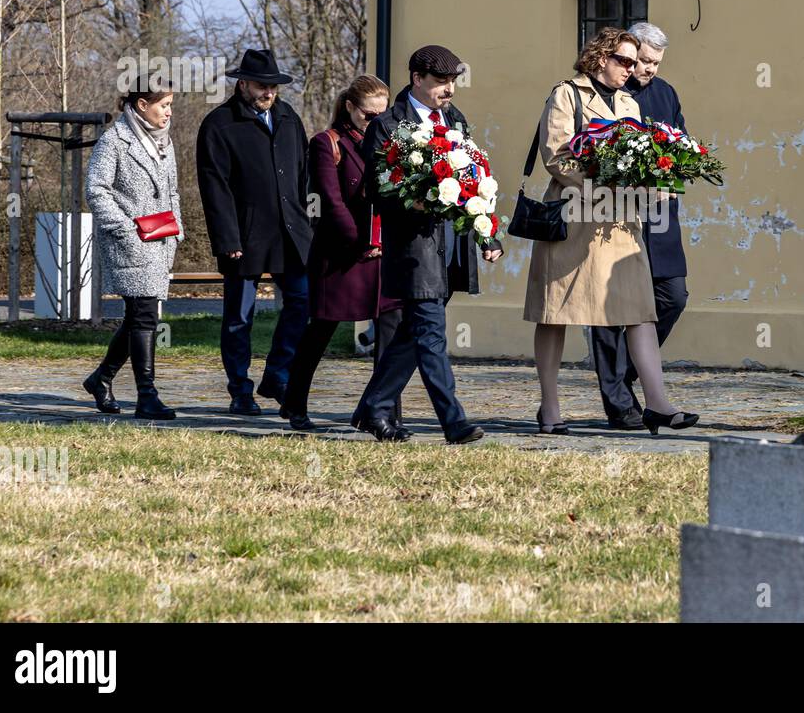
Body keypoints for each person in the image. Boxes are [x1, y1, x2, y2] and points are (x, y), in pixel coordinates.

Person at [524, 27, 698, 435]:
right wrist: (596, 188)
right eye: (624, 60)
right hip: (573, 217)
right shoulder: (567, 93)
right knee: (555, 314)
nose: (633, 68)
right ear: (601, 58)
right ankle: (550, 407)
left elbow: (637, 161)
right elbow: (556, 155)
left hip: (620, 222)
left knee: (640, 310)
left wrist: (651, 186)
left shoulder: (628, 104)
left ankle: (657, 403)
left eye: (635, 61)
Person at [351, 45, 502, 444]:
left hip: (452, 243)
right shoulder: (387, 125)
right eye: (440, 81)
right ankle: (454, 422)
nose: (449, 89)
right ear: (417, 79)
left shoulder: (455, 119)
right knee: (432, 333)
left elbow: (473, 183)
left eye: (453, 81)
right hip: (414, 245)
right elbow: (376, 190)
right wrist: (413, 198)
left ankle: (373, 408)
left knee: (412, 335)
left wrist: (488, 233)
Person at [280, 75, 402, 432]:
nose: (376, 121)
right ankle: (294, 400)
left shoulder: (393, 141)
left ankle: (383, 412)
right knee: (322, 328)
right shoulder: (325, 143)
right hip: (342, 253)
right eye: (368, 114)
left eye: (383, 114)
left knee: (392, 330)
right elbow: (330, 202)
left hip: (383, 252)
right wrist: (361, 241)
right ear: (349, 108)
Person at [196, 48, 313, 416]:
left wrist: (309, 223)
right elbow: (215, 188)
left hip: (291, 232)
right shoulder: (219, 124)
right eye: (262, 85)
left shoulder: (288, 117)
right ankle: (239, 390)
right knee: (238, 319)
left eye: (274, 86)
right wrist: (227, 238)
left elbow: (302, 174)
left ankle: (277, 374)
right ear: (242, 83)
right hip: (244, 236)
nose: (269, 93)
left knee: (304, 302)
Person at [588, 21, 690, 430]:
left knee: (673, 296)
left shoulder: (665, 93)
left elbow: (681, 143)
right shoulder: (606, 92)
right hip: (614, 213)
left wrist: (675, 178)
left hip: (661, 214)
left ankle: (631, 375)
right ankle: (619, 402)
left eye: (655, 63)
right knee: (612, 308)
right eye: (643, 60)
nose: (648, 69)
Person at [83, 82, 184, 421]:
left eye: (170, 104)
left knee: (139, 317)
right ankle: (147, 395)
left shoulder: (164, 141)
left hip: (161, 240)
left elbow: (172, 192)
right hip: (131, 242)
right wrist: (126, 229)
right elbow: (96, 190)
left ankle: (101, 379)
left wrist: (178, 228)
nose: (169, 112)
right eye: (163, 105)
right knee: (145, 315)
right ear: (142, 104)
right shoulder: (114, 140)